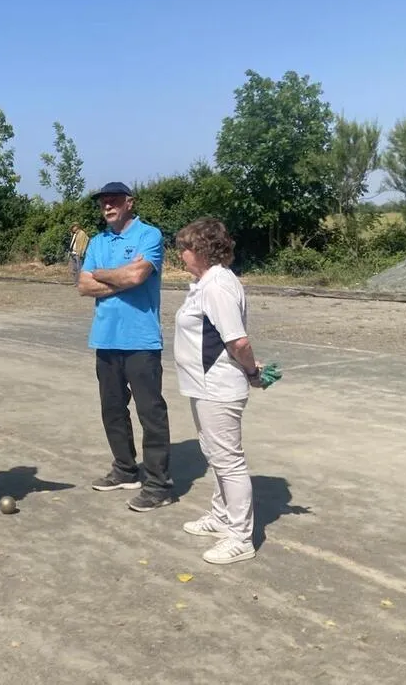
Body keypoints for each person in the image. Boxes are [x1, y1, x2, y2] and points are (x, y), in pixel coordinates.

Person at [78, 181, 174, 512]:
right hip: (105, 338)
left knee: (151, 412)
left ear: (130, 202)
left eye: (114, 200)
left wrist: (102, 275)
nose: (107, 205)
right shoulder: (97, 241)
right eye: (103, 201)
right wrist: (120, 277)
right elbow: (82, 285)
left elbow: (137, 277)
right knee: (112, 409)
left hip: (141, 340)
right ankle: (125, 469)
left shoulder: (149, 235)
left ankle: (159, 484)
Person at [173, 218, 264, 565]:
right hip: (204, 386)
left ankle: (240, 537)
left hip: (219, 387)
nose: (181, 255)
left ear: (202, 251)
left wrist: (253, 371)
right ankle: (221, 516)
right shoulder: (206, 284)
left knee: (228, 461)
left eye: (185, 248)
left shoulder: (217, 287)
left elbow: (238, 341)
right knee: (215, 456)